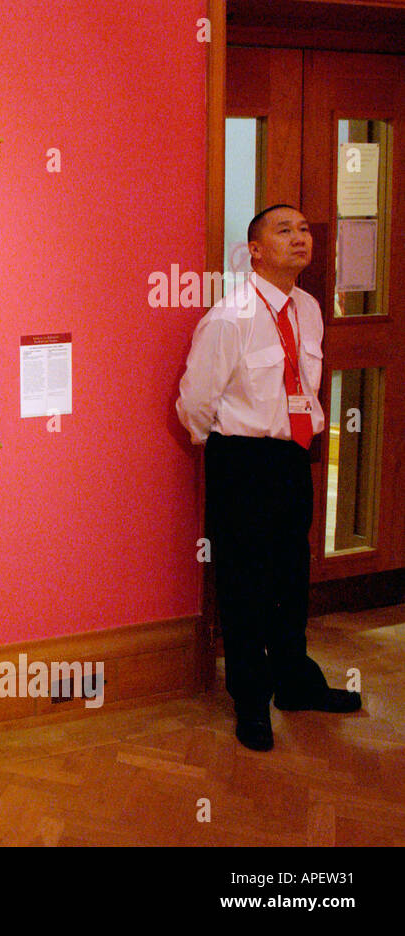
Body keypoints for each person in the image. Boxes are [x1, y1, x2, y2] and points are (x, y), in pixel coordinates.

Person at [175, 204, 361, 753]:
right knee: (244, 584)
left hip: (291, 459)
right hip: (242, 462)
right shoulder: (229, 316)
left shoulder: (307, 307)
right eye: (284, 230)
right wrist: (230, 450)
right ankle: (251, 700)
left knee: (290, 576)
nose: (299, 238)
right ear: (254, 250)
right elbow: (196, 401)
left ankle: (295, 682)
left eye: (304, 229)